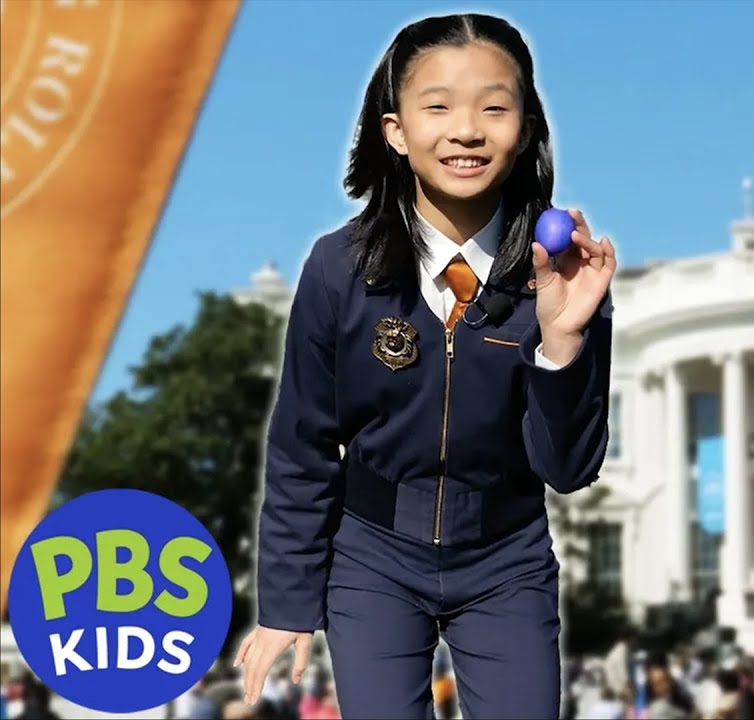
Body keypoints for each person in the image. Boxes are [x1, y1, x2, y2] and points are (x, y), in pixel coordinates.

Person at [234, 12, 617, 718]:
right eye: (437, 106)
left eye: (493, 108)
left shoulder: (560, 276)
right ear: (397, 131)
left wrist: (563, 342)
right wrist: (286, 602)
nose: (466, 130)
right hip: (374, 556)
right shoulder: (338, 269)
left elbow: (568, 469)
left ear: (526, 126)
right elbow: (302, 446)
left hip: (507, 560)